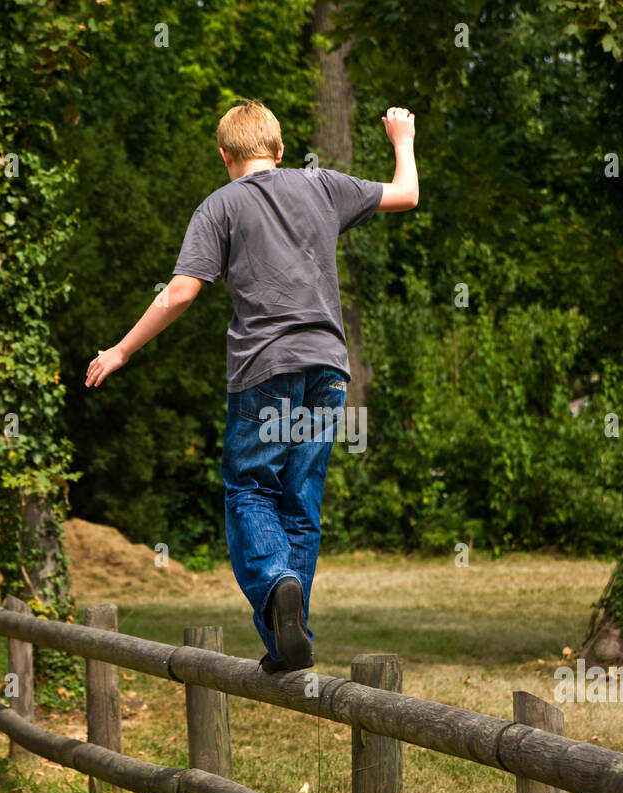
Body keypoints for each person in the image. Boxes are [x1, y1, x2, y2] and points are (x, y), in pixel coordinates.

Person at [85, 99, 419, 672]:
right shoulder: (322, 186)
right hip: (329, 371)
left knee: (249, 490)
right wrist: (402, 140)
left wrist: (120, 349)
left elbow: (181, 293)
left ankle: (275, 587)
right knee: (301, 501)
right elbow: (405, 193)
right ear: (281, 150)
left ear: (224, 156)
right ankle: (289, 640)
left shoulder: (218, 208)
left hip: (265, 370)